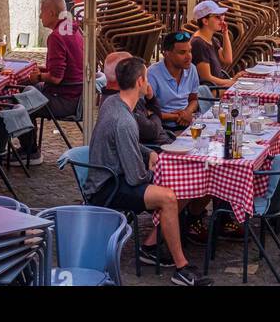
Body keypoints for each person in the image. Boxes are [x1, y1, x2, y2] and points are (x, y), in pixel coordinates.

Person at [86, 55, 213, 287]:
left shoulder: (112, 102)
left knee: (182, 187)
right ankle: (182, 268)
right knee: (168, 197)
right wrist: (157, 175)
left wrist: (148, 154)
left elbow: (128, 145)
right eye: (146, 78)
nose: (148, 82)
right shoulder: (124, 120)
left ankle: (151, 247)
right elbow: (136, 177)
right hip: (108, 187)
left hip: (109, 177)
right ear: (140, 82)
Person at [28, 0, 84, 164]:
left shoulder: (56, 36)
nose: (40, 16)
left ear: (51, 13)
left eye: (42, 11)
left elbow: (56, 78)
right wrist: (43, 71)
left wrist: (39, 76)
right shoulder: (73, 29)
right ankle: (30, 149)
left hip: (65, 100)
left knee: (21, 100)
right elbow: (66, 68)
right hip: (78, 96)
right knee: (28, 89)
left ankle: (30, 152)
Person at [101, 50, 172, 148]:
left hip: (156, 146)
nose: (147, 82)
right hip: (156, 148)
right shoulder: (120, 105)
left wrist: (150, 100)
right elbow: (152, 131)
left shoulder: (115, 99)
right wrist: (153, 112)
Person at [147, 32, 200, 131]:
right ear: (167, 54)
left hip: (187, 123)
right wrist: (177, 117)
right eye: (182, 52)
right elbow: (147, 112)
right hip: (162, 128)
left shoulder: (192, 69)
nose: (188, 56)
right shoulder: (152, 74)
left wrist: (188, 112)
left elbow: (193, 99)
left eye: (189, 51)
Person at [190, 0, 241, 88]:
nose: (222, 19)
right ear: (205, 21)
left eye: (222, 15)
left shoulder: (212, 40)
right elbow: (206, 78)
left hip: (217, 86)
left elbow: (228, 59)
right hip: (210, 91)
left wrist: (225, 33)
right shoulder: (198, 43)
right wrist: (231, 82)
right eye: (217, 16)